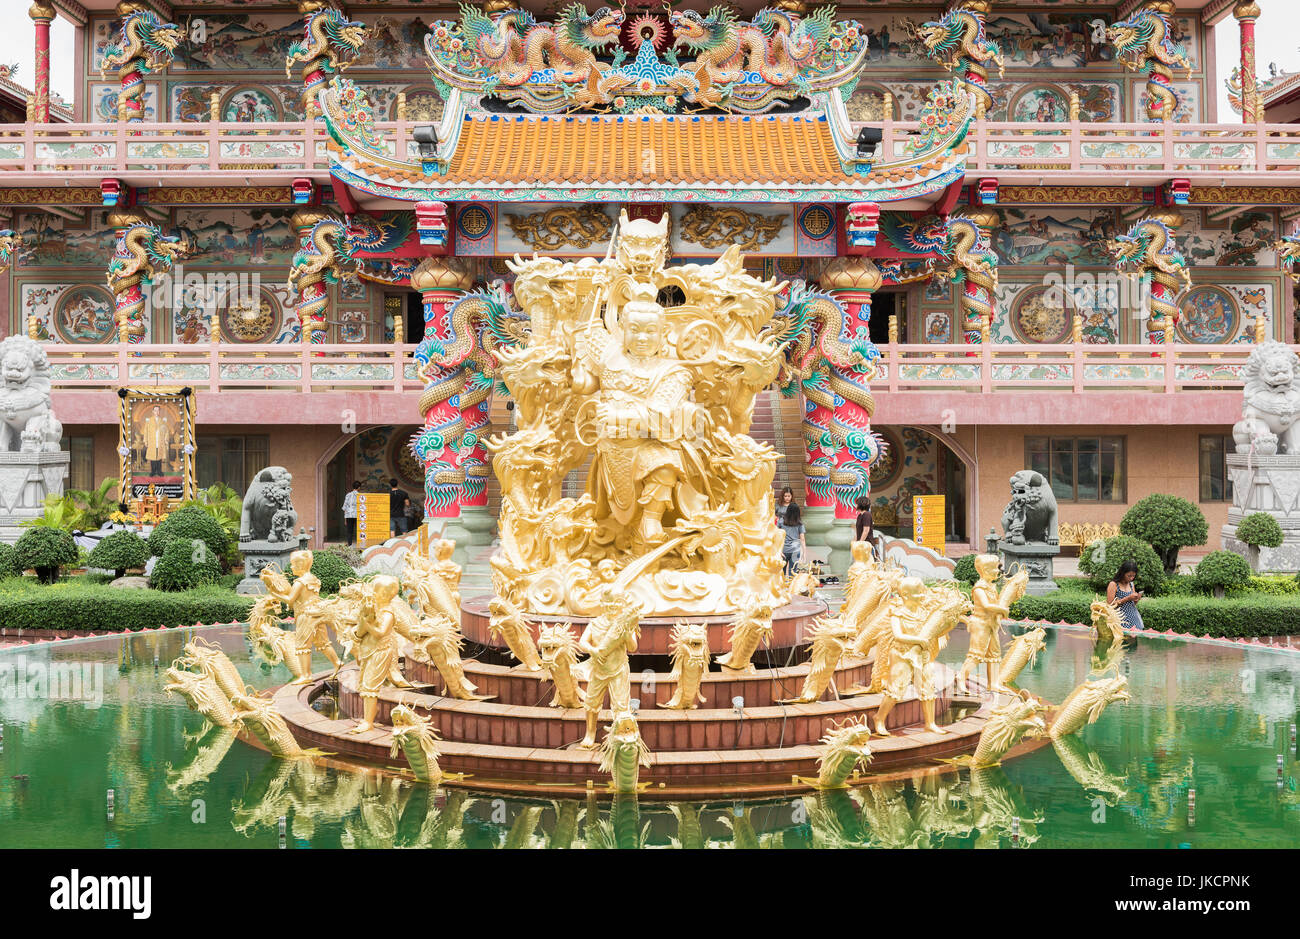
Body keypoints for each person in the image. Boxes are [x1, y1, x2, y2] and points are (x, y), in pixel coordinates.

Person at [1107, 560, 1145, 631]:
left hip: (1133, 618)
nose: (1131, 578)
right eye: (1129, 576)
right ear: (1122, 573)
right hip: (1120, 620)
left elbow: (1132, 604)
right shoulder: (1113, 584)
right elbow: (1109, 605)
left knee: (1134, 640)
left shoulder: (1131, 584)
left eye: (1133, 576)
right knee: (1123, 641)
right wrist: (1127, 598)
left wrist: (1136, 599)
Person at [781, 501, 807, 576]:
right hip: (795, 551)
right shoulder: (800, 524)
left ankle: (782, 587)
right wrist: (804, 553)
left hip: (783, 549)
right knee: (792, 572)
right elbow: (802, 539)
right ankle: (791, 586)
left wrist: (778, 550)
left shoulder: (781, 521)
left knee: (782, 572)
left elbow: (777, 536)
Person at [342, 481, 360, 545]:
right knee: (359, 530)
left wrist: (345, 519)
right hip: (357, 515)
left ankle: (350, 544)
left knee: (349, 531)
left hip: (348, 515)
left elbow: (345, 507)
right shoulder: (360, 495)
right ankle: (360, 544)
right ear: (359, 487)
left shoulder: (348, 495)